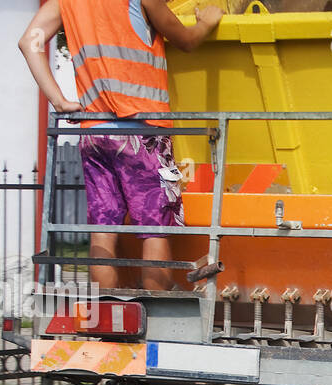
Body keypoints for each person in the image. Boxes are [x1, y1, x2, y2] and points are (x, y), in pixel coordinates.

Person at [19, 1, 225, 291]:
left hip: (94, 133)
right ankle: (154, 318)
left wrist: (59, 100)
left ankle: (107, 316)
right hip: (142, 132)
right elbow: (186, 41)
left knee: (103, 228)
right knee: (154, 228)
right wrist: (208, 21)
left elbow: (30, 42)